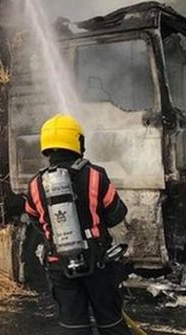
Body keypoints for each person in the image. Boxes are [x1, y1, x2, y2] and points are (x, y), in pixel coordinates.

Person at [23, 114, 132, 335]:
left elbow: (33, 217)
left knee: (74, 326)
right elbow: (116, 214)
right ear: (77, 142)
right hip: (97, 263)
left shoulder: (35, 184)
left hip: (58, 264)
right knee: (111, 323)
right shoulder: (95, 175)